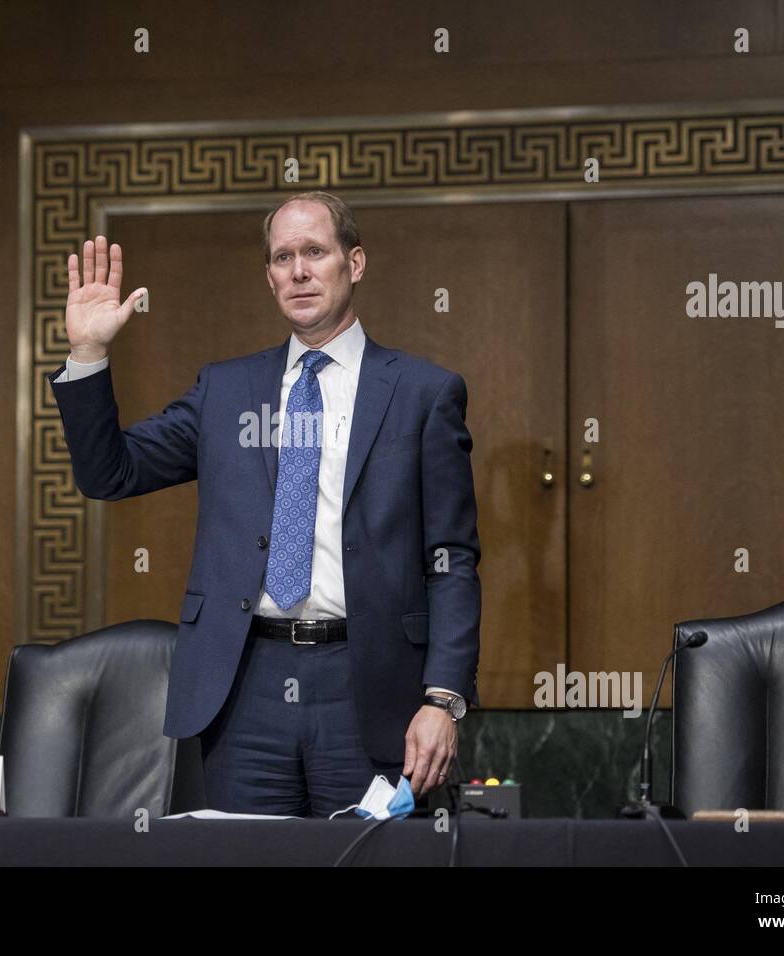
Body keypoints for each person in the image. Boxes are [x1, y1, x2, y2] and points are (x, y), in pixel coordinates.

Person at [51, 191, 480, 817]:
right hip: (242, 685)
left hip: (370, 687)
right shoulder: (227, 389)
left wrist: (443, 700)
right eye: (283, 257)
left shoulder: (423, 393)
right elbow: (110, 473)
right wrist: (89, 354)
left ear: (354, 263)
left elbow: (453, 560)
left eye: (315, 252)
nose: (299, 270)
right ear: (270, 276)